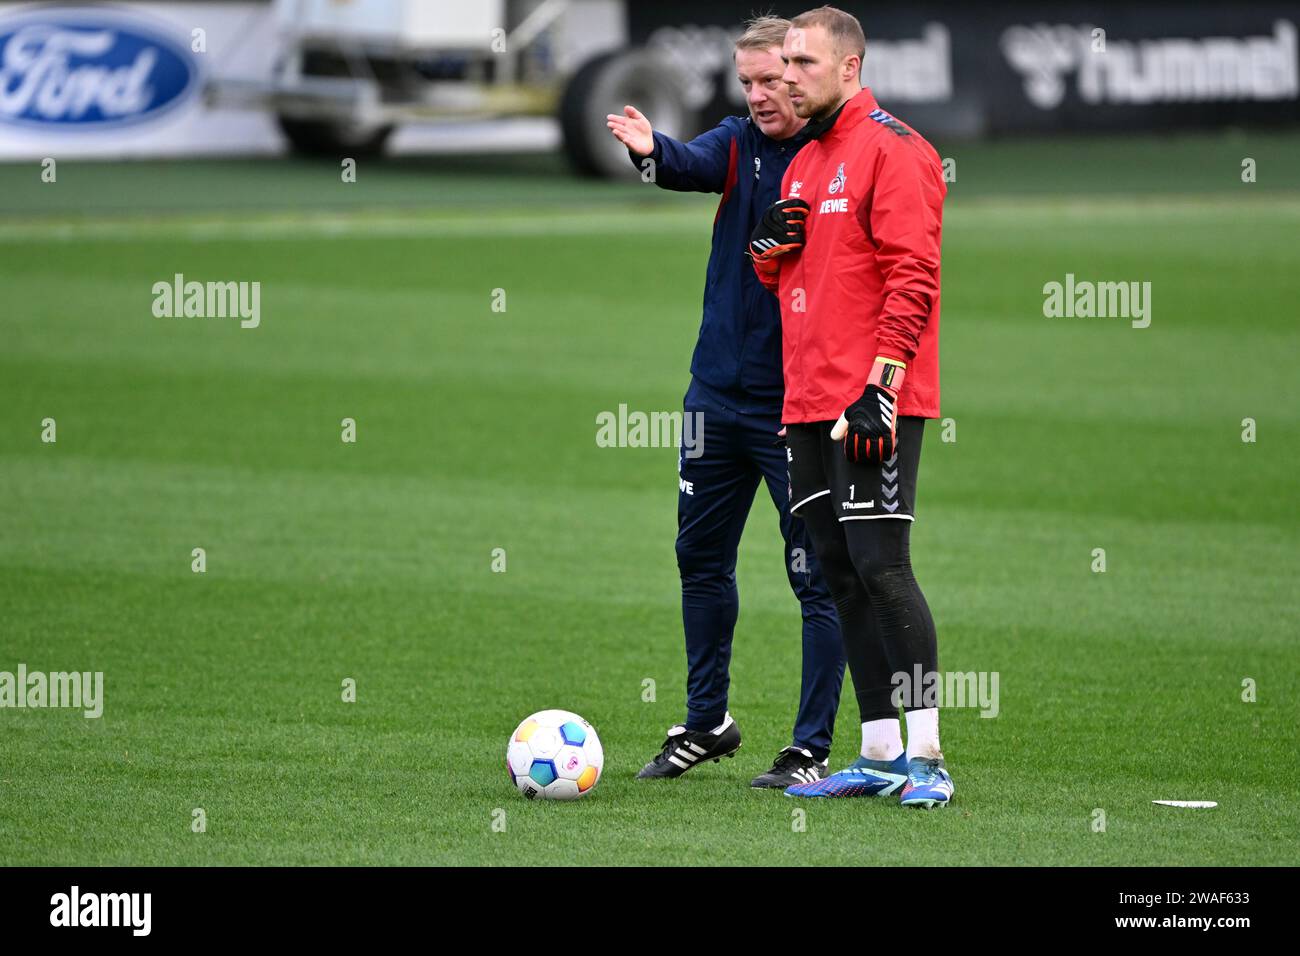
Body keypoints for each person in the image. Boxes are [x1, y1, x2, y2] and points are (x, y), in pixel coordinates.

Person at [607, 15, 845, 789]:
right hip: (714, 396)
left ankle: (810, 748)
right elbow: (688, 161)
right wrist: (651, 154)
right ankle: (706, 721)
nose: (758, 95)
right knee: (698, 559)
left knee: (814, 574)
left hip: (796, 406)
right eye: (745, 82)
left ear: (806, 71)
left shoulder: (835, 161)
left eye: (772, 80)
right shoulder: (738, 142)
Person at [748, 6, 953, 807]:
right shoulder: (802, 163)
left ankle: (929, 757)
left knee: (882, 568)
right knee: (835, 570)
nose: (786, 76)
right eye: (782, 63)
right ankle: (876, 753)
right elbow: (793, 283)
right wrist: (768, 252)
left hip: (873, 401)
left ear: (849, 68)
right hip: (806, 401)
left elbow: (914, 276)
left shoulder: (895, 151)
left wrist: (884, 384)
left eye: (801, 63)